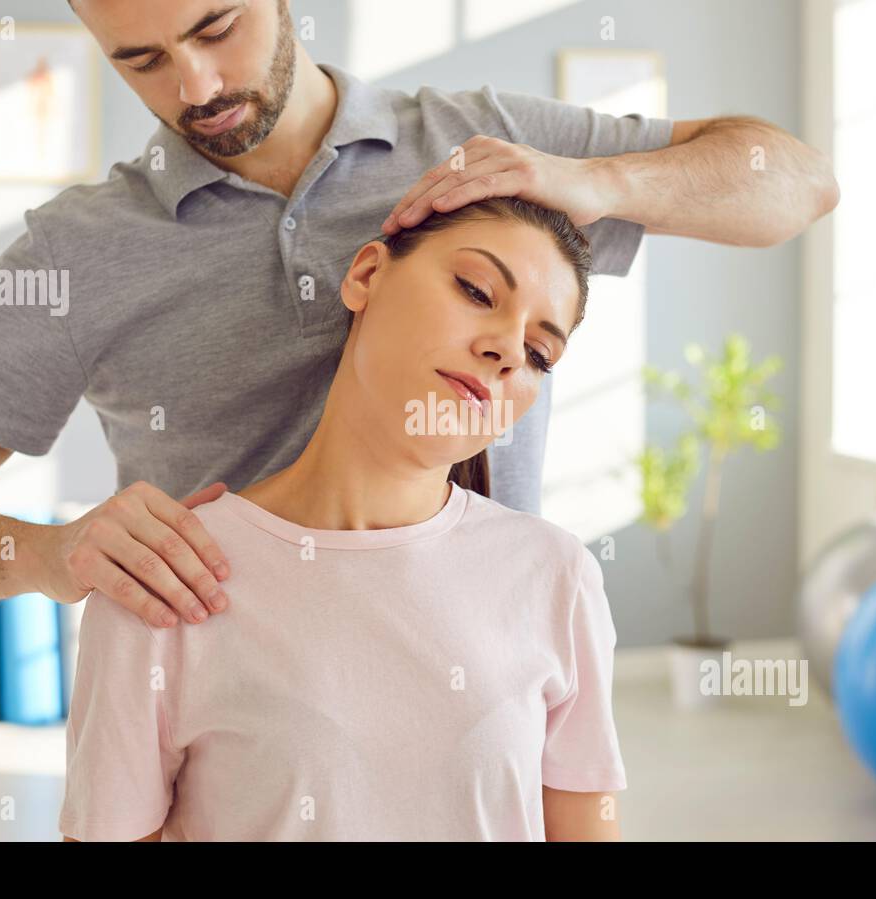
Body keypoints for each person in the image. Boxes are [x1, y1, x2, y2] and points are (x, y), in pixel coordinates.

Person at [0, 0, 838, 636]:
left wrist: (590, 179)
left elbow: (794, 184)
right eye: (141, 61)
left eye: (217, 28)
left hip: (473, 688)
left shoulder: (484, 142)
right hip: (222, 720)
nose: (198, 88)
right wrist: (46, 557)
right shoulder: (79, 249)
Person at [60, 196, 627, 841]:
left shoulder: (556, 575)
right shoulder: (166, 576)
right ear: (366, 275)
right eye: (476, 290)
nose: (505, 350)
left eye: (539, 354)